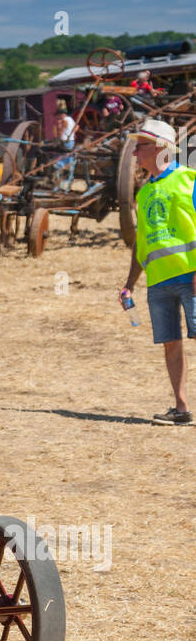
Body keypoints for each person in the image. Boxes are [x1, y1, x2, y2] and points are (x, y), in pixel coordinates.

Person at [120, 118, 196, 425]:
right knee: (170, 344)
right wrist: (129, 285)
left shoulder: (189, 180)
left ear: (161, 147)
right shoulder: (143, 193)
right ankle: (181, 409)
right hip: (158, 282)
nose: (136, 153)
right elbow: (142, 244)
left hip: (190, 277)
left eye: (141, 146)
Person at [53, 99, 76, 191]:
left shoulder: (64, 121)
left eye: (58, 116)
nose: (58, 118)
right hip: (71, 141)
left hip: (66, 142)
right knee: (68, 158)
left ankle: (59, 181)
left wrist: (57, 139)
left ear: (61, 115)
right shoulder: (70, 119)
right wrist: (72, 134)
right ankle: (68, 179)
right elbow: (76, 127)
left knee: (60, 161)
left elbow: (61, 130)